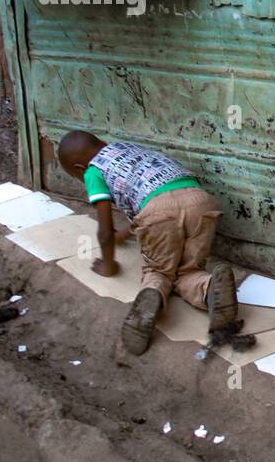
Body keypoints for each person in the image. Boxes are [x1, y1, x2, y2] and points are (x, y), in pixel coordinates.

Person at [57, 130, 239, 355]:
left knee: (159, 271)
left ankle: (152, 293)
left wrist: (108, 263)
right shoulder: (125, 148)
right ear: (102, 142)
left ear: (79, 169)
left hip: (158, 212)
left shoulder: (93, 171)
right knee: (188, 269)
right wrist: (125, 233)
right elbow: (154, 194)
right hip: (200, 201)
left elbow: (105, 230)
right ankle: (210, 287)